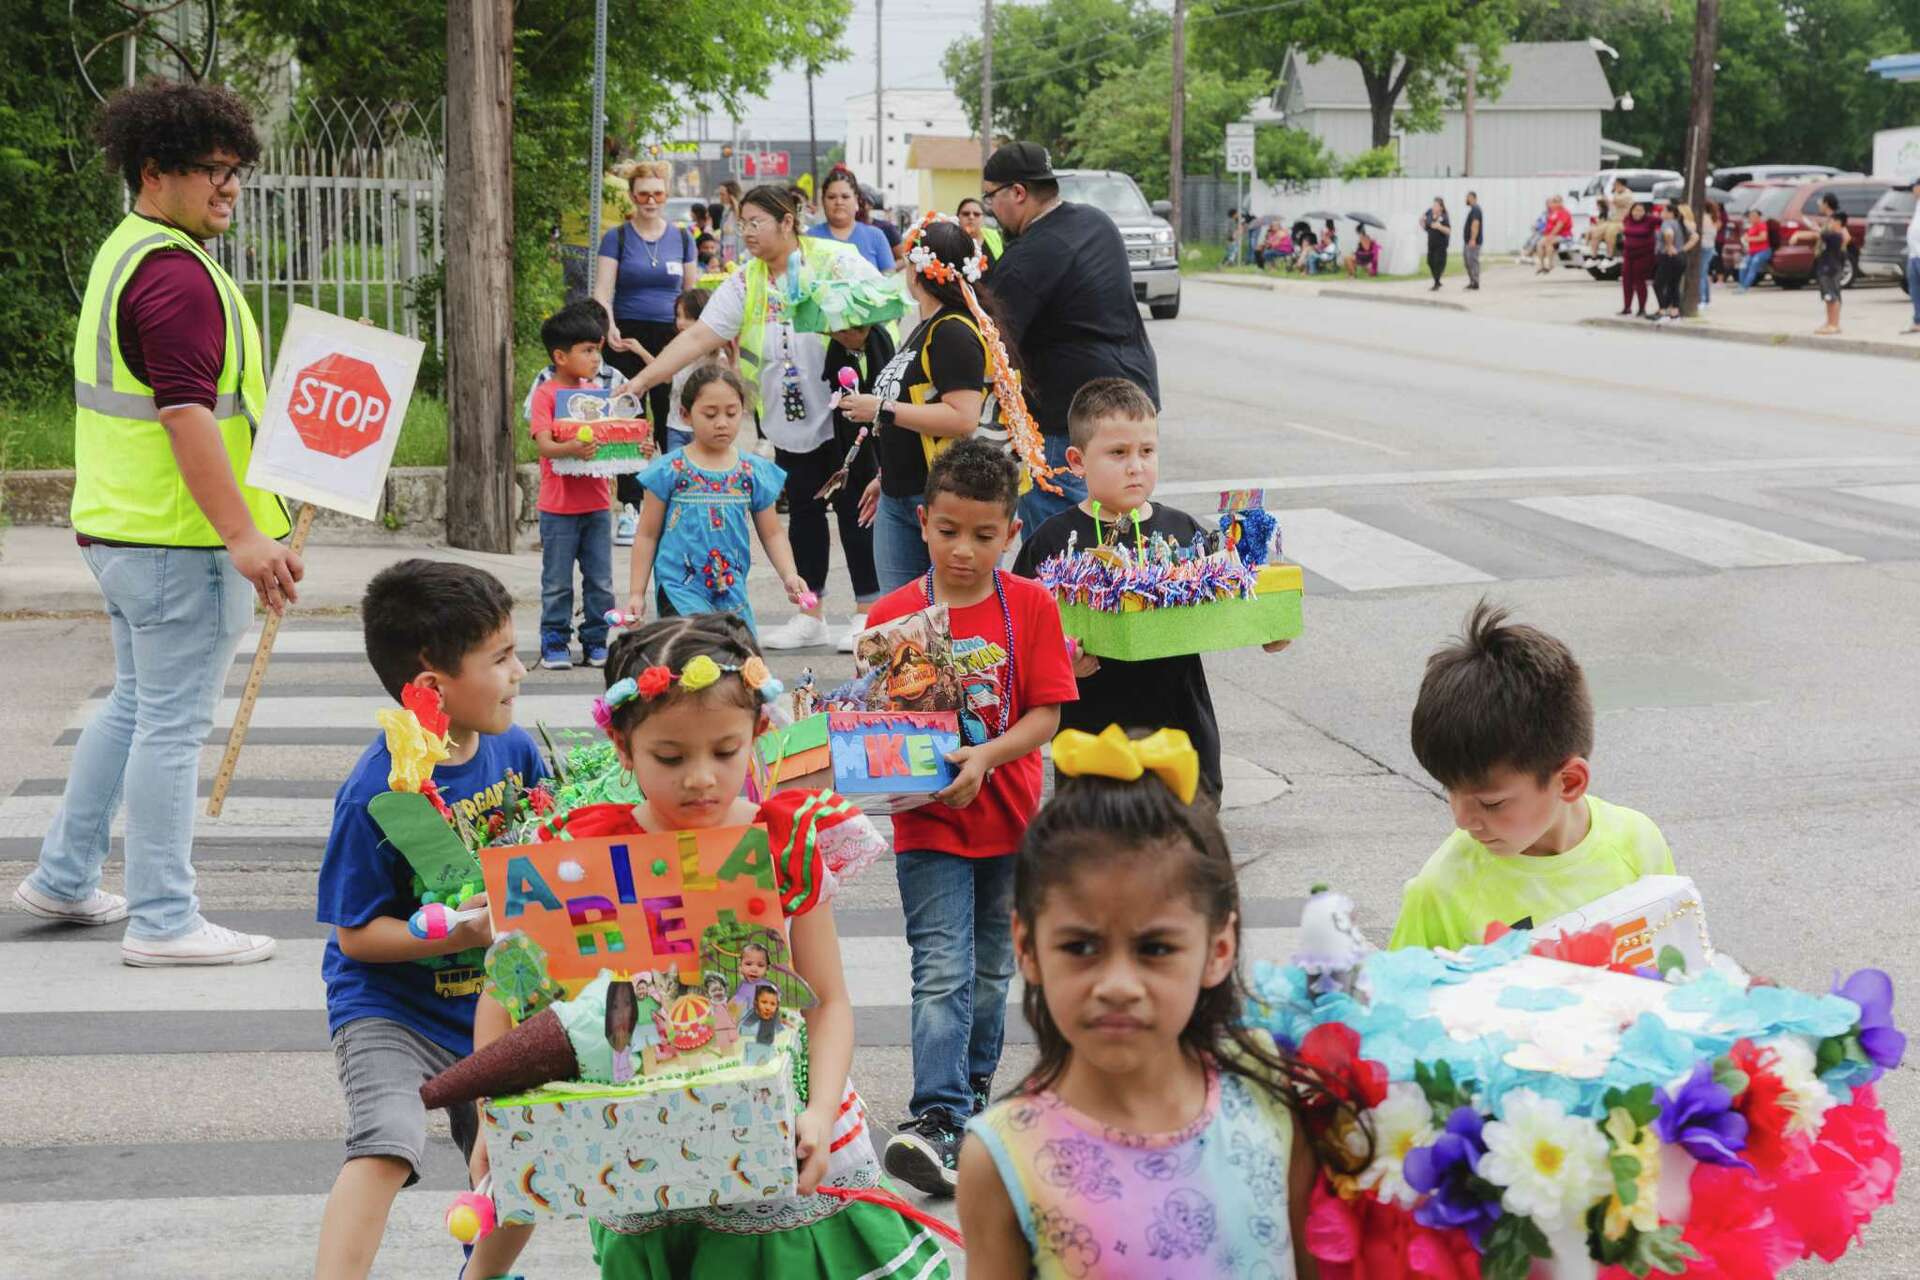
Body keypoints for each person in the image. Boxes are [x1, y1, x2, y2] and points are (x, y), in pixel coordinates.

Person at [465, 614, 952, 1280]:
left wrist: (817, 1110)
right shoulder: (577, 857)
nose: (700, 778)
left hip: (779, 1127)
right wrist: (498, 1117)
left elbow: (829, 1001)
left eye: (725, 751)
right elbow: (509, 997)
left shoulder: (783, 840)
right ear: (622, 748)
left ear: (756, 735)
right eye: (670, 757)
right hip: (639, 1141)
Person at [10, 80, 292, 964]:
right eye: (210, 170)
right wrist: (245, 536)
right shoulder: (175, 277)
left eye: (235, 170)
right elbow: (185, 414)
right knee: (170, 724)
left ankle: (63, 875)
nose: (229, 187)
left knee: (136, 707)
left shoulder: (132, 252)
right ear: (153, 171)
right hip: (180, 543)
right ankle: (166, 919)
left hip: (127, 533)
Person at [957, 725, 1369, 1277]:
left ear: (1218, 949)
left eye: (1155, 948)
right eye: (1080, 947)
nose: (1119, 984)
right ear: (1027, 947)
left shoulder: (1270, 1099)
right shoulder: (1003, 1156)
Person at [312, 560, 544, 1279]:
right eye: (501, 658)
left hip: (492, 1003)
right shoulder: (375, 793)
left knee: (519, 1153)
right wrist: (450, 930)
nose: (520, 673)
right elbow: (356, 936)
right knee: (387, 1140)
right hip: (392, 1013)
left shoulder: (513, 749)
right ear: (433, 686)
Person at [870, 439, 1078, 1195]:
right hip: (927, 826)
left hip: (1011, 821)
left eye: (984, 535)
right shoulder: (896, 616)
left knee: (992, 972)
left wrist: (986, 756)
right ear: (922, 523)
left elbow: (1047, 713)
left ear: (1011, 533)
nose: (965, 549)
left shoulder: (1029, 605)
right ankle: (934, 1115)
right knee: (942, 969)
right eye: (949, 530)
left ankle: (970, 1108)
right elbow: (883, 727)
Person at [617, 184, 882, 650]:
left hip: (844, 407)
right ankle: (811, 611)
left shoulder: (837, 261)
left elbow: (879, 321)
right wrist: (642, 381)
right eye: (741, 224)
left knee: (853, 505)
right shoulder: (746, 280)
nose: (746, 233)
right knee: (801, 508)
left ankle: (867, 610)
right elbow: (698, 337)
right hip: (785, 411)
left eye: (755, 222)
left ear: (787, 221)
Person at [1011, 377, 1289, 798]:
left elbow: (1232, 598)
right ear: (1077, 460)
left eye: (1147, 451)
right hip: (1092, 745)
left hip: (1182, 739)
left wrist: (1268, 628)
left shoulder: (1185, 533)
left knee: (1183, 853)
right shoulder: (1051, 542)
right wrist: (1061, 662)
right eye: (1118, 453)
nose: (1135, 465)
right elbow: (1015, 637)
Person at [1388, 601, 1678, 951]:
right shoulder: (1441, 890)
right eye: (1449, 789)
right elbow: (1401, 996)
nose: (1462, 819)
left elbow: (1675, 966)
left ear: (1569, 782)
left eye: (1490, 802)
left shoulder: (1638, 845)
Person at [842, 216, 1035, 592]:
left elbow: (962, 417)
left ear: (916, 271)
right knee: (904, 626)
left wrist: (880, 409)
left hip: (941, 498)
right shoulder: (930, 326)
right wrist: (886, 476)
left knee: (943, 616)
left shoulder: (951, 331)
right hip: (904, 493)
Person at [981, 141, 1159, 532]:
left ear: (1018, 193)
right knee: (1125, 515)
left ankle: (1072, 595)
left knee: (1064, 529)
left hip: (1070, 416)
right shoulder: (1096, 222)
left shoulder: (1031, 253)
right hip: (1133, 400)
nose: (990, 208)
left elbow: (991, 337)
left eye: (990, 197)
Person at [626, 365, 808, 629]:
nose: (722, 422)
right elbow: (647, 534)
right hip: (679, 589)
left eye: (731, 413)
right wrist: (636, 593)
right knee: (693, 659)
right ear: (685, 415)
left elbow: (772, 533)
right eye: (710, 414)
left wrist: (789, 575)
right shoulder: (669, 470)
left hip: (730, 590)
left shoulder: (751, 471)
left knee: (738, 661)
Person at [530, 304, 620, 669]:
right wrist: (571, 448)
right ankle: (554, 641)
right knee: (557, 581)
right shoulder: (546, 395)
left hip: (597, 503)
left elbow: (613, 438)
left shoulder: (598, 392)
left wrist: (637, 447)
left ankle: (597, 639)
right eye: (586, 350)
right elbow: (544, 445)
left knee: (600, 581)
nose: (595, 357)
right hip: (558, 507)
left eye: (596, 349)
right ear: (560, 356)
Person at [596, 161, 700, 471]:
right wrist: (609, 325)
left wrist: (691, 335)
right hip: (627, 335)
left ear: (667, 195)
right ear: (631, 196)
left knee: (673, 412)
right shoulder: (617, 237)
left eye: (657, 194)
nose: (650, 201)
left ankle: (675, 484)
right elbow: (602, 290)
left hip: (671, 334)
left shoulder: (682, 239)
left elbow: (690, 293)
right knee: (629, 414)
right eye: (643, 194)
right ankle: (631, 499)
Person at [809, 166, 896, 273]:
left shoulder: (876, 236)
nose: (839, 202)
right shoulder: (809, 238)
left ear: (856, 200)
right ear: (823, 201)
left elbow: (890, 281)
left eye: (845, 197)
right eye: (831, 197)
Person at [1791, 192, 1847, 335]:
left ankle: (1834, 324)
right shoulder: (1830, 225)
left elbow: (1840, 236)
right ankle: (1831, 323)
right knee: (1829, 295)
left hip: (1831, 265)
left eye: (1821, 202)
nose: (1819, 206)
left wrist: (1798, 235)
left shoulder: (1835, 225)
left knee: (1831, 295)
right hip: (1827, 263)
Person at [1618, 201, 1655, 317]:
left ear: (1645, 212)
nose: (1637, 213)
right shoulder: (1627, 220)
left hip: (1643, 255)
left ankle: (1642, 308)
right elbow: (1623, 230)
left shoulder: (1650, 221)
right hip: (1628, 255)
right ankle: (1627, 307)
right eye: (1635, 210)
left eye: (1640, 210)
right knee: (1626, 281)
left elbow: (1664, 223)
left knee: (1640, 282)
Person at [1652, 216, 1686, 323]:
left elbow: (1668, 233)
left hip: (1668, 256)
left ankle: (1663, 311)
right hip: (1681, 257)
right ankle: (1674, 313)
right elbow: (1695, 236)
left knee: (1658, 284)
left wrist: (1670, 246)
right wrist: (1683, 249)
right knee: (1674, 284)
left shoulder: (1667, 223)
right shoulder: (1684, 224)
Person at [955, 195, 1003, 263]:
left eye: (976, 214)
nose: (971, 217)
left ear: (983, 218)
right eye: (966, 214)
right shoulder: (951, 239)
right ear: (957, 217)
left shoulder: (995, 236)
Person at [1737, 206, 1774, 292]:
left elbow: (1763, 237)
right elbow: (1747, 236)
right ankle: (1741, 285)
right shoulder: (1751, 227)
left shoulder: (1762, 225)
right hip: (1752, 251)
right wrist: (1745, 238)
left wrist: (1749, 239)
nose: (1751, 218)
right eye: (1750, 216)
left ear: (1758, 217)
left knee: (1754, 265)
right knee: (1743, 266)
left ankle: (1745, 286)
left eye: (1753, 216)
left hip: (1763, 251)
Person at [1535, 194, 1572, 273]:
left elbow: (1559, 226)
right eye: (1553, 201)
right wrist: (1546, 235)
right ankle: (1541, 265)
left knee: (1548, 242)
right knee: (1539, 244)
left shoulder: (1564, 212)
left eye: (1556, 201)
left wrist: (1550, 236)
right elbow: (1548, 226)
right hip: (1551, 235)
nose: (1554, 203)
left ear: (1561, 202)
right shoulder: (1552, 213)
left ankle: (1550, 264)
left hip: (1564, 235)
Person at [1420, 198, 1451, 290]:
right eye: (1433, 205)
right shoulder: (1429, 212)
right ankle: (1437, 281)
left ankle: (1436, 283)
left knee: (1438, 263)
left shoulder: (1444, 216)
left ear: (1441, 207)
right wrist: (1422, 222)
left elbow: (1448, 231)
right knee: (1429, 262)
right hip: (1431, 243)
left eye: (1436, 205)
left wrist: (1439, 226)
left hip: (1441, 245)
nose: (1433, 207)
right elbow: (1425, 224)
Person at [714, 178, 743, 264]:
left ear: (731, 195)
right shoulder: (726, 212)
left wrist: (736, 204)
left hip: (738, 251)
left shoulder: (741, 210)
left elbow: (741, 226)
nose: (720, 197)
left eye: (723, 194)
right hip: (726, 249)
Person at [1905, 177, 1920, 334]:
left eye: (1914, 187)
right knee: (1915, 290)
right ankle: (1918, 321)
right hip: (1914, 255)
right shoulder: (1917, 205)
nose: (1912, 190)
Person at [1697, 202, 1718, 308]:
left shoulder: (1704, 218)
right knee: (1704, 273)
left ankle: (1702, 299)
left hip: (1704, 247)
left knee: (1701, 274)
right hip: (1710, 247)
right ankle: (1706, 299)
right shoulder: (1712, 218)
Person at [1462, 190, 1484, 290]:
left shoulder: (1476, 209)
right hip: (1469, 241)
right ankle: (1472, 281)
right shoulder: (1473, 209)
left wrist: (1473, 239)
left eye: (1468, 197)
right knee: (1468, 261)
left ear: (1473, 198)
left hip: (1473, 242)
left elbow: (1475, 224)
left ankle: (1475, 282)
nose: (1466, 199)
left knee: (1472, 261)